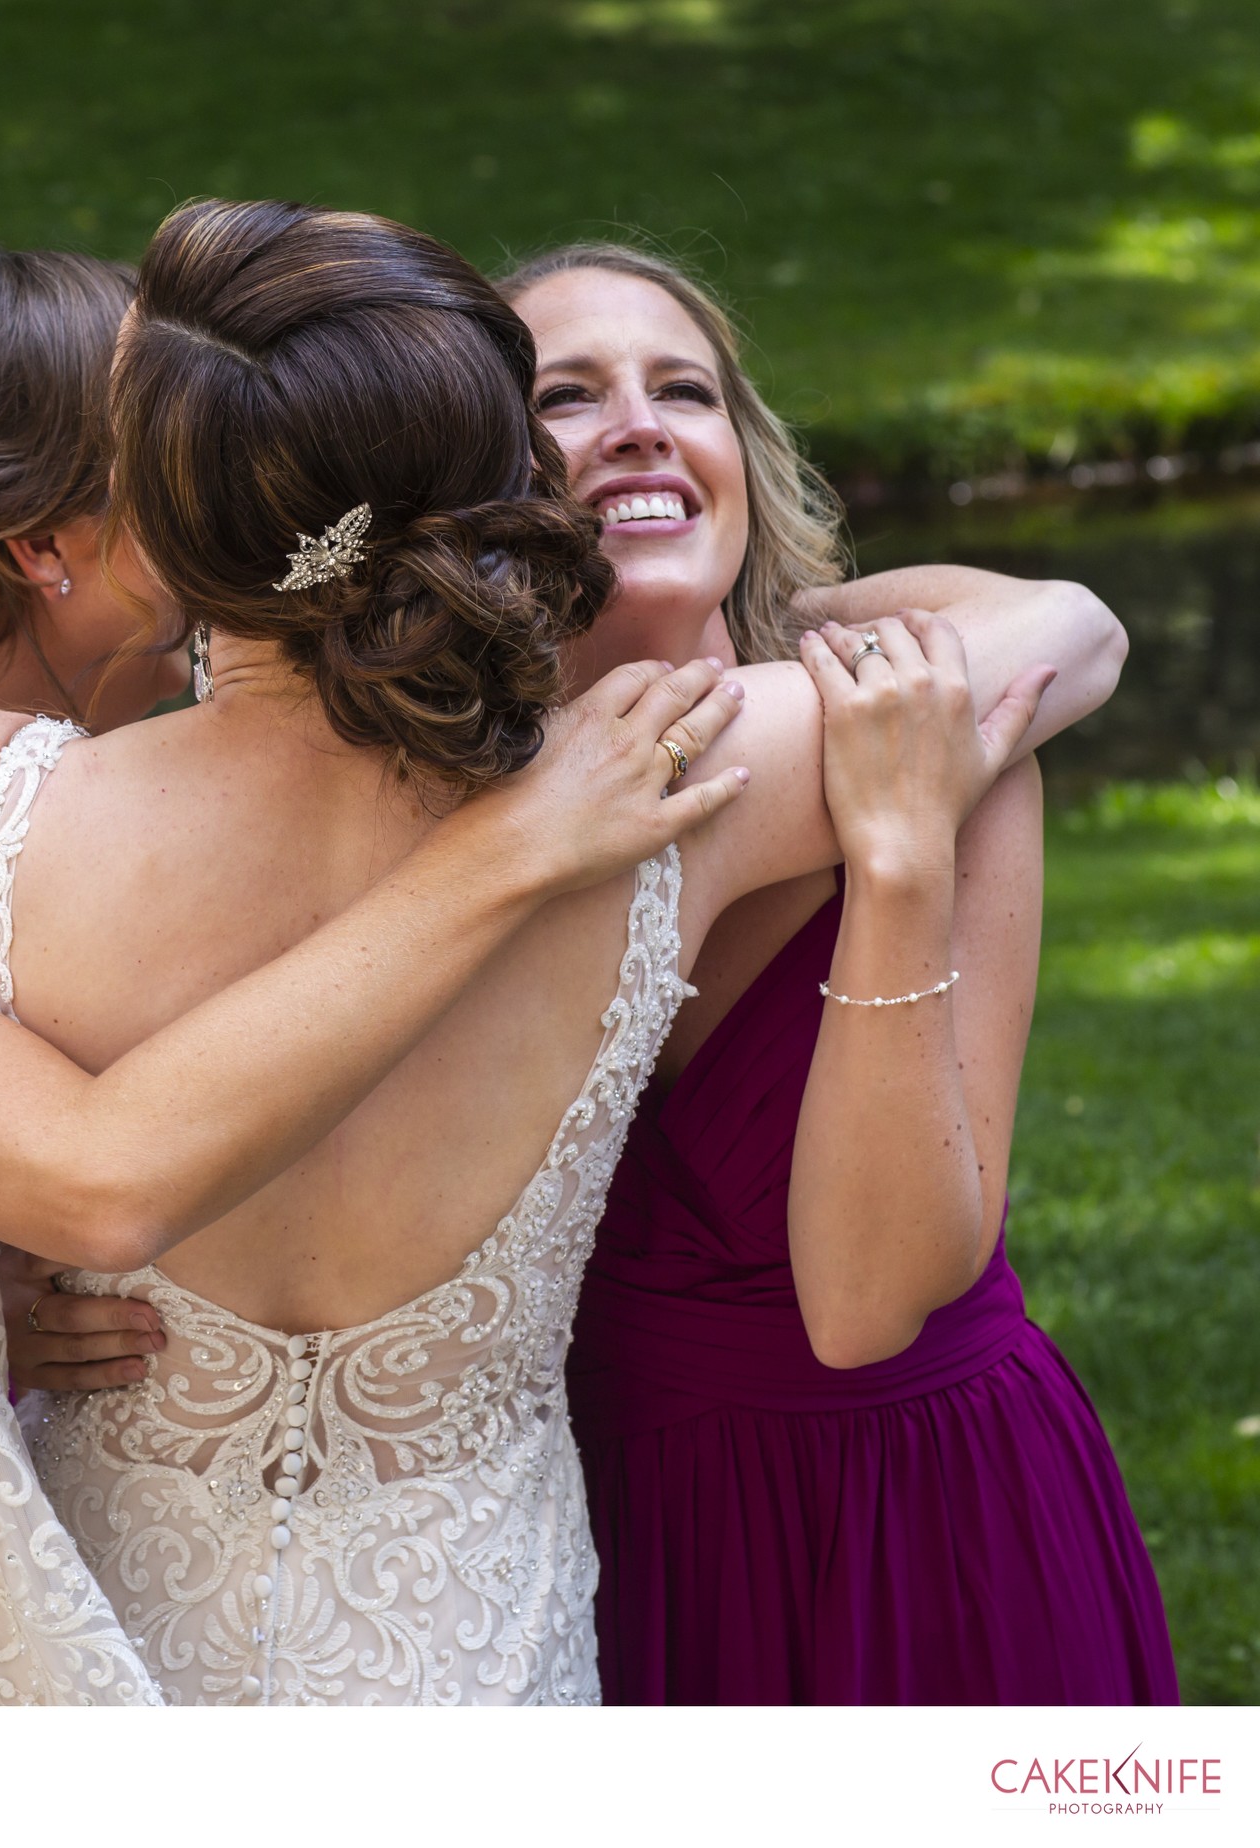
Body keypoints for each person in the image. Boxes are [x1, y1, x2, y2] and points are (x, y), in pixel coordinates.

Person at [0, 200, 1124, 1703]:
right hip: (470, 1641)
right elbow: (1061, 639)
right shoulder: (678, 782)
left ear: (164, 517)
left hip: (111, 1628)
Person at [502, 243, 1175, 1703]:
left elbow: (870, 1304)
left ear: (741, 459)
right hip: (590, 1538)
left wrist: (899, 865)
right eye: (566, 396)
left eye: (686, 389)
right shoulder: (441, 798)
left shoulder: (914, 708)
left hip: (932, 1516)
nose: (639, 422)